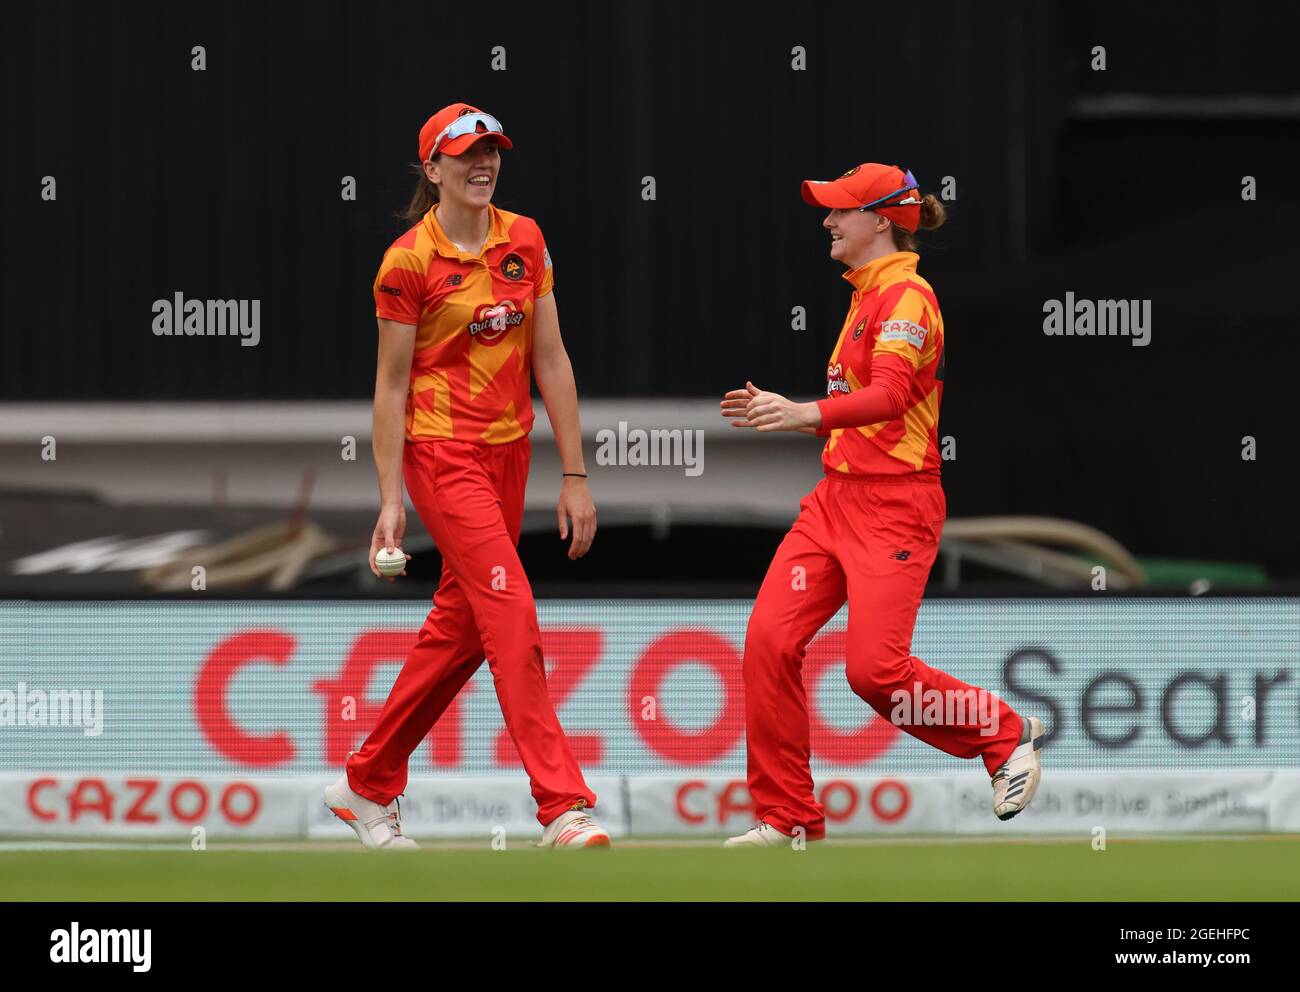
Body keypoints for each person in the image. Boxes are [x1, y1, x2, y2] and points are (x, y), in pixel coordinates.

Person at [720, 163, 1045, 847]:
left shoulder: (908, 300)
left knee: (874, 672)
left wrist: (802, 411)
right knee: (768, 643)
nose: (828, 222)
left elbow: (893, 397)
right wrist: (786, 412)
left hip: (894, 508)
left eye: (842, 212)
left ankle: (1002, 732)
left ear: (882, 221)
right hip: (834, 501)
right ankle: (788, 819)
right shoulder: (866, 296)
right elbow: (864, 413)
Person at [323, 103, 610, 850]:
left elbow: (551, 358)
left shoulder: (527, 239)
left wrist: (575, 474)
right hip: (441, 454)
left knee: (462, 628)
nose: (482, 164)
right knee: (511, 612)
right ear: (433, 169)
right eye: (464, 154)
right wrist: (389, 499)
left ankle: (366, 782)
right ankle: (563, 807)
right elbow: (390, 387)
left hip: (508, 454)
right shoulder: (408, 262)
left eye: (491, 152)